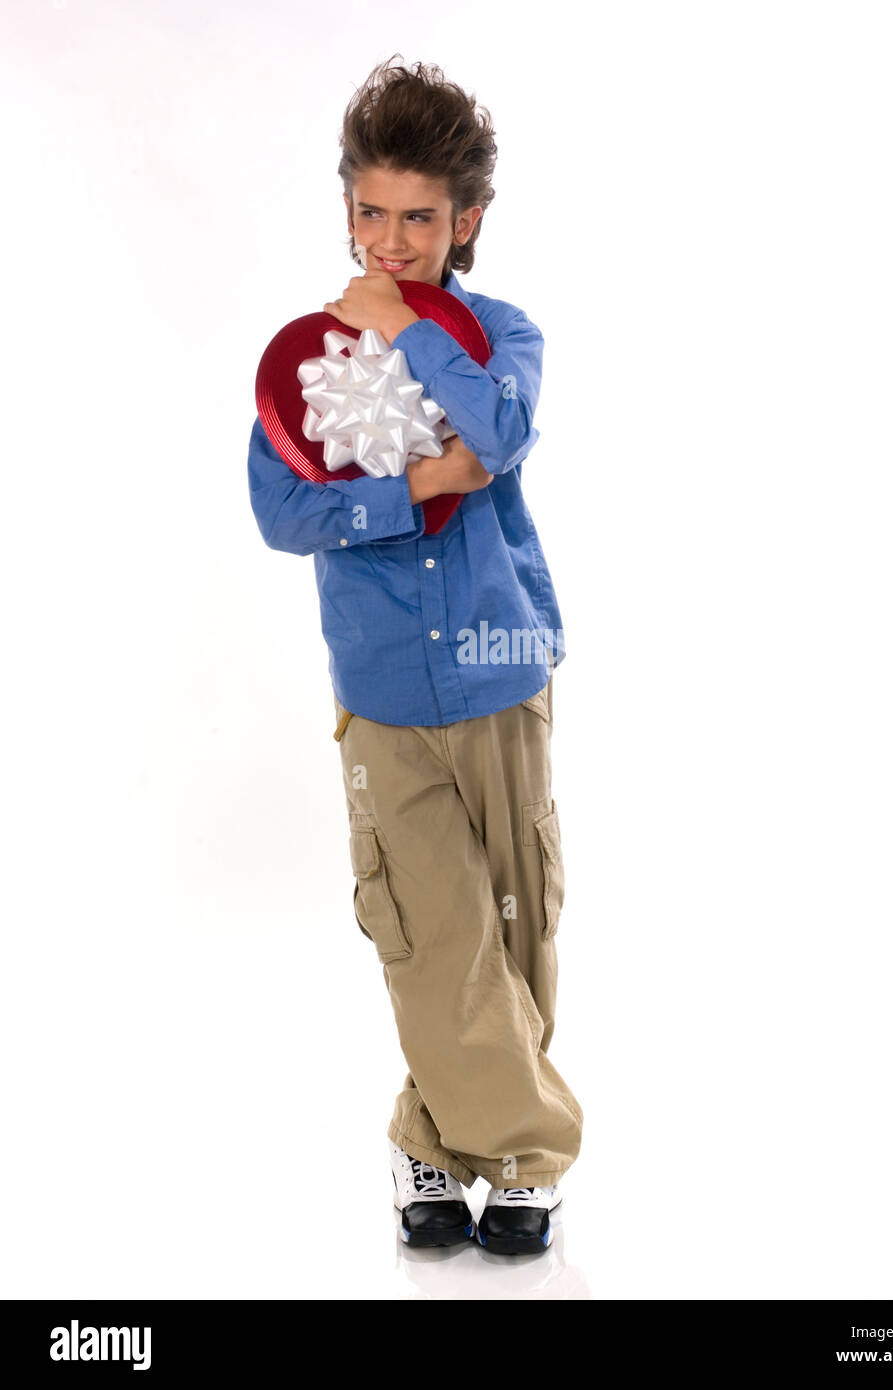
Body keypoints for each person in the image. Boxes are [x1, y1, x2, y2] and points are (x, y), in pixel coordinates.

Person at [247, 56, 582, 1256]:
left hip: (501, 669)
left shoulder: (500, 333)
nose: (392, 242)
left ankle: (433, 1142)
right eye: (372, 214)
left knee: (513, 918)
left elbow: (494, 432)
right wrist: (408, 488)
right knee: (428, 930)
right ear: (348, 211)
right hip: (383, 691)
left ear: (468, 220)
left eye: (421, 218)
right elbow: (283, 512)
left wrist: (409, 334)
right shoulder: (306, 359)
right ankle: (533, 1151)